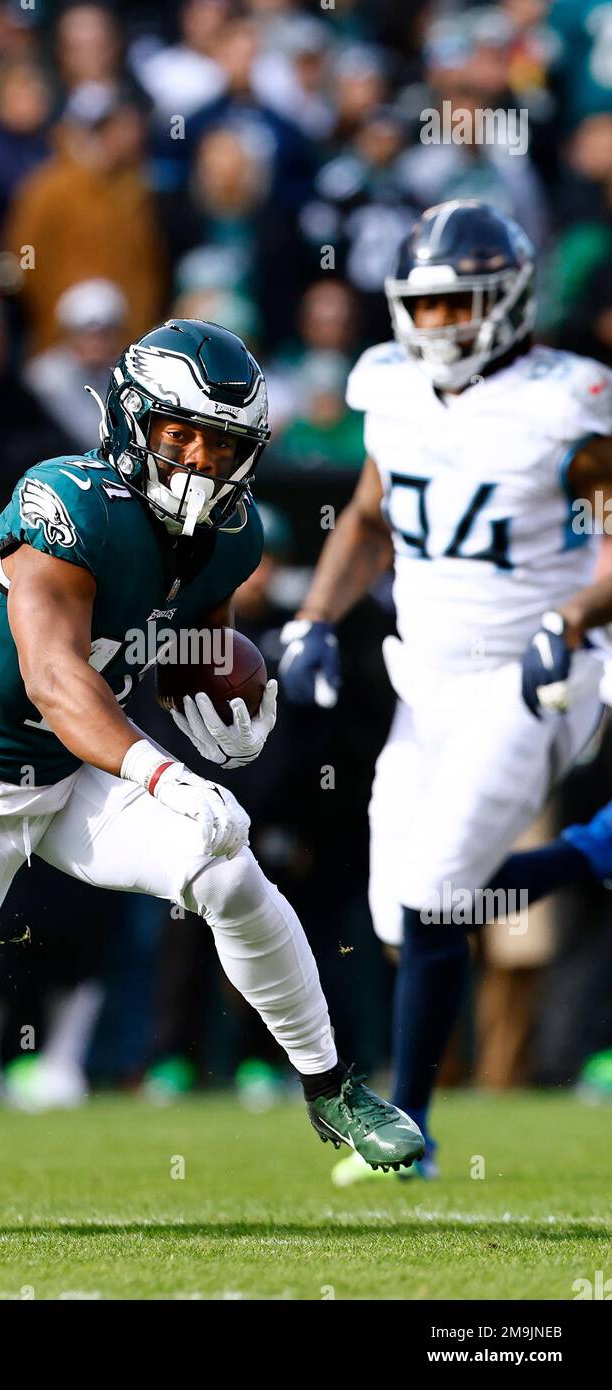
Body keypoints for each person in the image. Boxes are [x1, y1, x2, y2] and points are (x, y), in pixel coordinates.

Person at [0, 318, 424, 1230]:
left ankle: (331, 1087)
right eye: (182, 435)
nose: (202, 464)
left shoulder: (229, 534)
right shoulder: (67, 502)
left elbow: (188, 642)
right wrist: (168, 775)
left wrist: (227, 705)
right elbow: (58, 681)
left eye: (224, 445)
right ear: (134, 423)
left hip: (74, 771)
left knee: (229, 872)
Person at [278, 200, 612, 1184]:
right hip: (422, 683)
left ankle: (405, 1131)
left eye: (460, 305)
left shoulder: (565, 401)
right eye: (424, 308)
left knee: (433, 897)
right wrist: (313, 620)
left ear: (508, 302)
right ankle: (593, 851)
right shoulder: (389, 390)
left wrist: (573, 619)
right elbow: (368, 516)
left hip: (532, 678)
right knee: (402, 915)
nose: (440, 327)